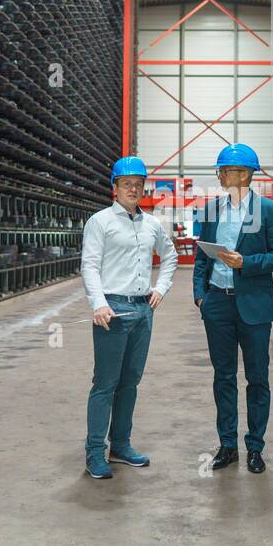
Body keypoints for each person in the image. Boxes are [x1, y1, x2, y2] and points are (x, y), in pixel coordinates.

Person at [192, 144, 273, 474]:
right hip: (217, 303)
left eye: (226, 171)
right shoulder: (210, 210)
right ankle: (228, 445)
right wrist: (201, 296)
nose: (220, 175)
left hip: (254, 306)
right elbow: (201, 257)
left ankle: (255, 447)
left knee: (257, 378)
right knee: (223, 377)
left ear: (245, 174)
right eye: (220, 171)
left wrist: (246, 262)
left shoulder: (269, 210)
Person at [79, 156, 177, 480]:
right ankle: (95, 452)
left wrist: (160, 288)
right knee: (105, 384)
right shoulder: (100, 222)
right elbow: (90, 266)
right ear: (115, 187)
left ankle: (120, 445)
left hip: (142, 311)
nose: (133, 188)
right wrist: (98, 303)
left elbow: (171, 255)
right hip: (113, 310)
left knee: (130, 383)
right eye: (126, 184)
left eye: (138, 184)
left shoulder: (152, 225)